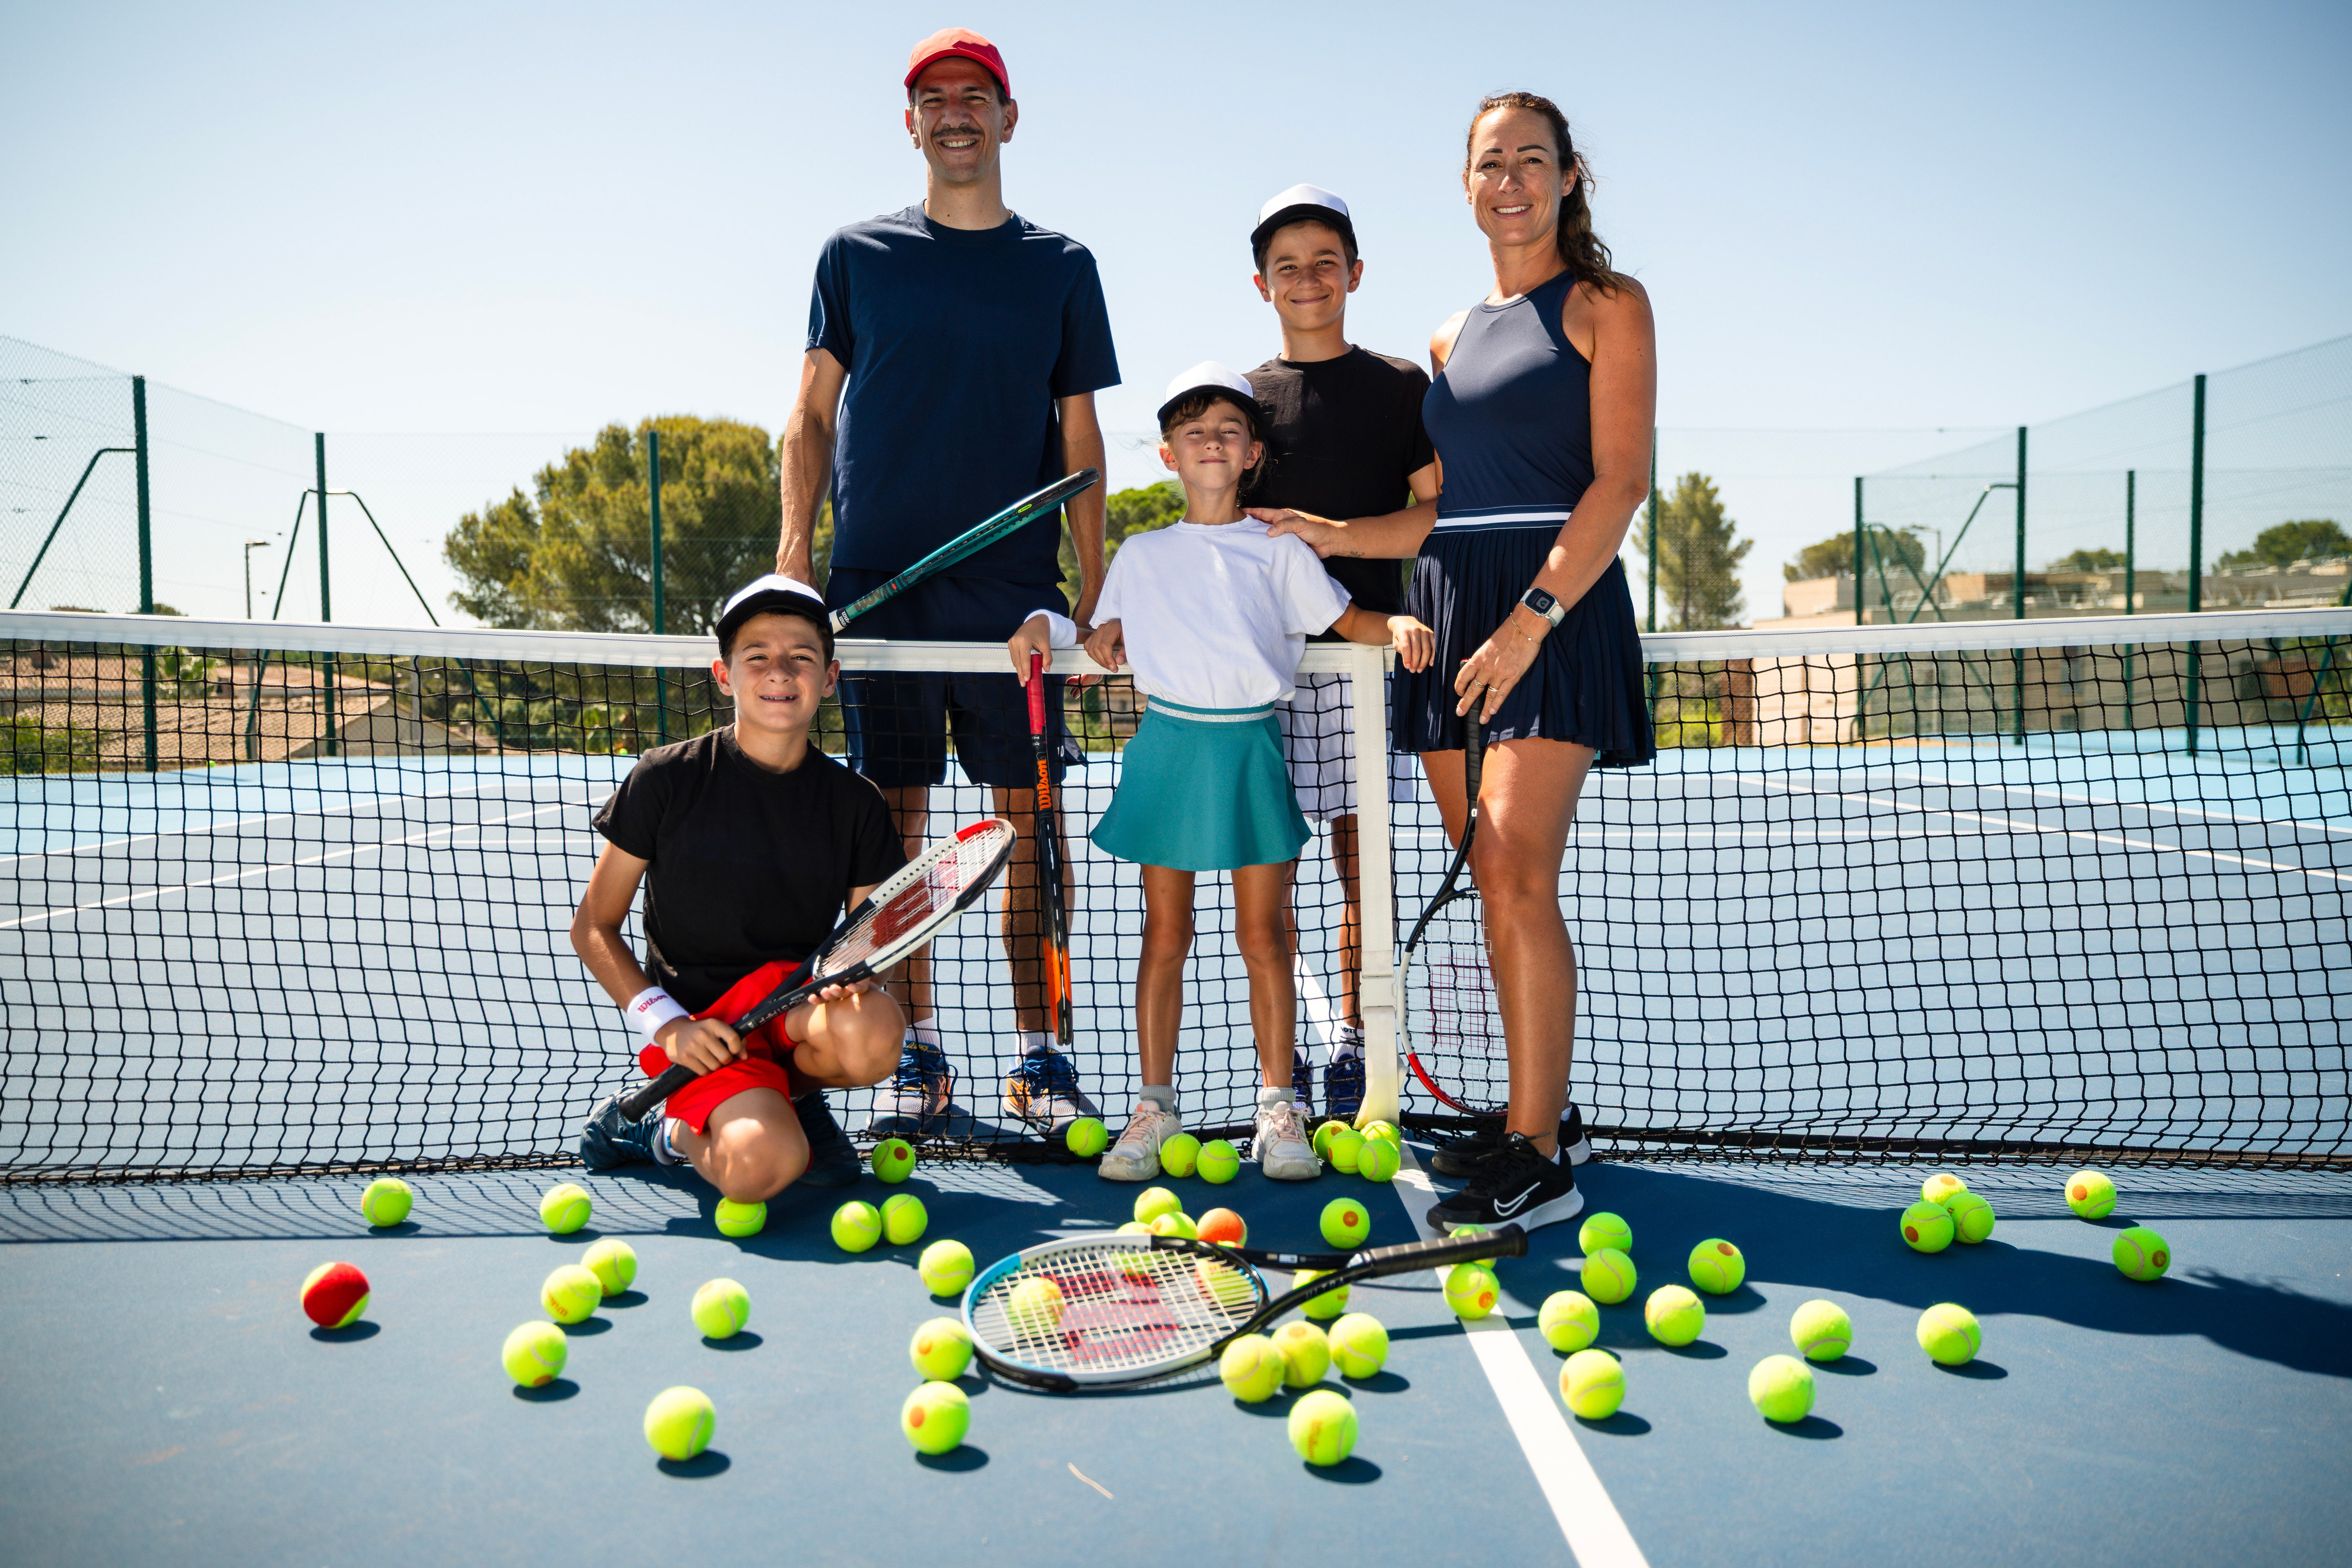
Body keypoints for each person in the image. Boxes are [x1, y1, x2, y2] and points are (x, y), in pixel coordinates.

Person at [1255, 92, 1657, 1234]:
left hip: (1550, 612)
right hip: (1447, 610)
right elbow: (1441, 515)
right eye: (1491, 163)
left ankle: (1537, 1150)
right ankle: (1539, 1109)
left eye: (1532, 159)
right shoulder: (1446, 334)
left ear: (1570, 175)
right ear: (1466, 184)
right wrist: (1332, 537)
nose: (1511, 179)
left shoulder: (1608, 305)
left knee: (1520, 875)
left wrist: (1531, 619)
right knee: (1490, 876)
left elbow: (1617, 482)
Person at [777, 28, 1120, 1139]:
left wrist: (1092, 584)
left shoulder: (1062, 267)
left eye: (977, 96)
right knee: (893, 835)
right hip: (879, 592)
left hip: (1010, 600)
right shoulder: (853, 255)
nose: (957, 113)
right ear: (911, 122)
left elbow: (1080, 435)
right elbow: (812, 414)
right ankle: (918, 1054)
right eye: (936, 98)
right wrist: (794, 557)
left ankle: (1040, 1055)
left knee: (1029, 830)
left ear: (1008, 119)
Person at [1010, 365, 1432, 1182]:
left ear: (1252, 456)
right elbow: (1090, 631)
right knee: (1164, 935)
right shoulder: (1140, 552)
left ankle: (1280, 1105)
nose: (1210, 438)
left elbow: (1349, 622)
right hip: (1166, 752)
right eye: (1192, 428)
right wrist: (1049, 623)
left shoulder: (1278, 551)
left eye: (1228, 429)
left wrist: (1401, 623)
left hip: (1249, 753)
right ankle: (1154, 1102)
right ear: (1167, 454)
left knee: (1263, 936)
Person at [573, 576, 909, 1200]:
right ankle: (660, 1125)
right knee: (761, 1170)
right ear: (724, 675)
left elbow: (871, 942)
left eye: (801, 656)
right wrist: (669, 1026)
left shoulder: (854, 803)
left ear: (829, 678)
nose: (779, 670)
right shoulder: (664, 779)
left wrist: (861, 978)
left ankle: (791, 1094)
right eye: (757, 655)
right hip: (700, 1031)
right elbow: (593, 927)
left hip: (789, 1009)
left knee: (875, 1031)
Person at [1242, 184, 1441, 1121]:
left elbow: (1438, 517)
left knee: (1364, 868)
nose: (1308, 280)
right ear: (1261, 285)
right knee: (1267, 874)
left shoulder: (1401, 386)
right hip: (1263, 675)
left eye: (1326, 262)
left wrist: (1335, 536)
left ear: (1355, 274)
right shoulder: (1237, 403)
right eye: (1288, 267)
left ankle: (1361, 1045)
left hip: (1364, 669)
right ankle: (1278, 1075)